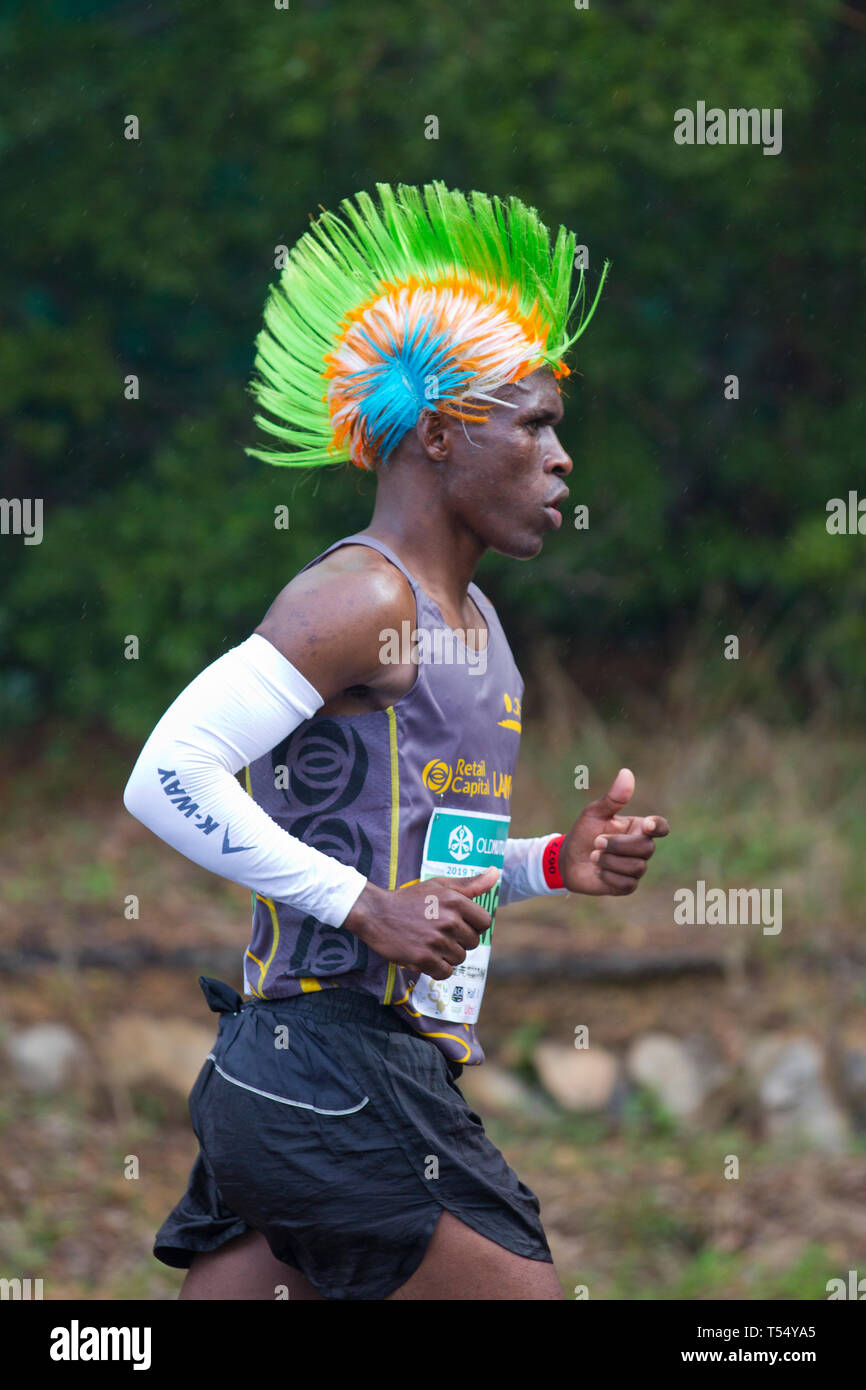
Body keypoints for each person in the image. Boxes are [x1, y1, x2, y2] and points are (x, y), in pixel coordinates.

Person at [122, 181, 669, 1301]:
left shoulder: (478, 628)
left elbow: (424, 868)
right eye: (532, 424)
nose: (561, 458)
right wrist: (361, 907)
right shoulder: (358, 596)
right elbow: (165, 773)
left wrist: (554, 865)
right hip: (324, 1061)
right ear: (435, 435)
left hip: (345, 1075)